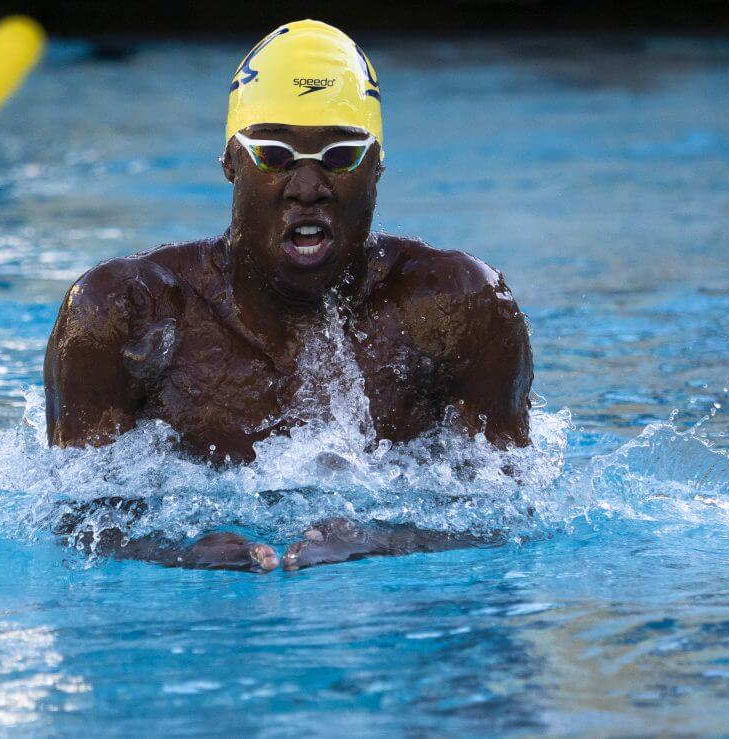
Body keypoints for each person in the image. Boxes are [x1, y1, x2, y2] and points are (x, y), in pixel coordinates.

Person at [45, 20, 533, 572]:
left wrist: (384, 541)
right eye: (274, 155)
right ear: (231, 162)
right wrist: (169, 552)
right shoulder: (124, 313)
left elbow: (509, 512)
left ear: (378, 166)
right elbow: (71, 518)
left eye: (341, 155)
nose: (307, 186)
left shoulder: (458, 307)